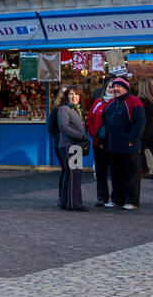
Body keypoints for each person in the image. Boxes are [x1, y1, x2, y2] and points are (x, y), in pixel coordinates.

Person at [101, 76, 145, 210]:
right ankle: (117, 200)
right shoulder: (112, 104)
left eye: (118, 86)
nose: (115, 89)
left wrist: (131, 138)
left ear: (126, 88)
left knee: (131, 175)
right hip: (113, 147)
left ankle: (131, 200)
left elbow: (140, 123)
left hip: (129, 147)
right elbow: (106, 123)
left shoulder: (134, 102)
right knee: (116, 175)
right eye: (114, 87)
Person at [56, 85, 88, 211]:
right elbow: (63, 127)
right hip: (70, 145)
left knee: (71, 175)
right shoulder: (65, 109)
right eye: (71, 94)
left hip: (75, 146)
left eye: (76, 94)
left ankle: (65, 202)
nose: (74, 97)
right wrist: (81, 136)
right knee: (75, 175)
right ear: (66, 96)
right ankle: (74, 203)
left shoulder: (76, 110)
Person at [86, 79, 114, 207]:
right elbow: (89, 120)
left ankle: (116, 197)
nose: (112, 89)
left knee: (116, 171)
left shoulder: (118, 102)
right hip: (98, 143)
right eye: (109, 86)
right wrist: (94, 134)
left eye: (114, 87)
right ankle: (102, 197)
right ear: (105, 88)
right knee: (100, 171)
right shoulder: (98, 102)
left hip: (113, 144)